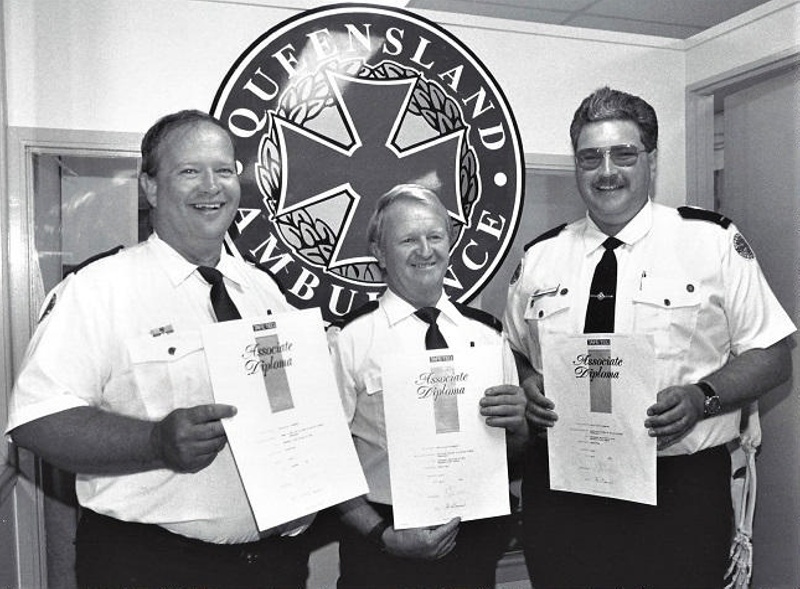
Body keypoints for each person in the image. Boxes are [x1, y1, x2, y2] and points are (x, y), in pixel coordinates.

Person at [6, 110, 314, 589]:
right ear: (149, 187)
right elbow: (37, 422)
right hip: (153, 567)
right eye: (189, 171)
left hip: (277, 565)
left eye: (224, 170)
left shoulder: (263, 289)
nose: (212, 186)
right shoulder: (99, 288)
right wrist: (155, 443)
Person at [503, 86, 796, 589]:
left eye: (624, 154)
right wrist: (528, 382)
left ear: (651, 161)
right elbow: (514, 350)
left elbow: (772, 355)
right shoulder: (540, 257)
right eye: (590, 157)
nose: (606, 171)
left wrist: (701, 397)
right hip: (564, 489)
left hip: (676, 492)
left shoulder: (712, 242)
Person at [330, 184, 528, 589]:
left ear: (449, 243)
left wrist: (520, 425)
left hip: (473, 545)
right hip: (382, 546)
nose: (425, 250)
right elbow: (326, 462)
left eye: (434, 236)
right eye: (407, 239)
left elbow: (514, 452)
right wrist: (380, 536)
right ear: (380, 253)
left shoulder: (487, 336)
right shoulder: (348, 339)